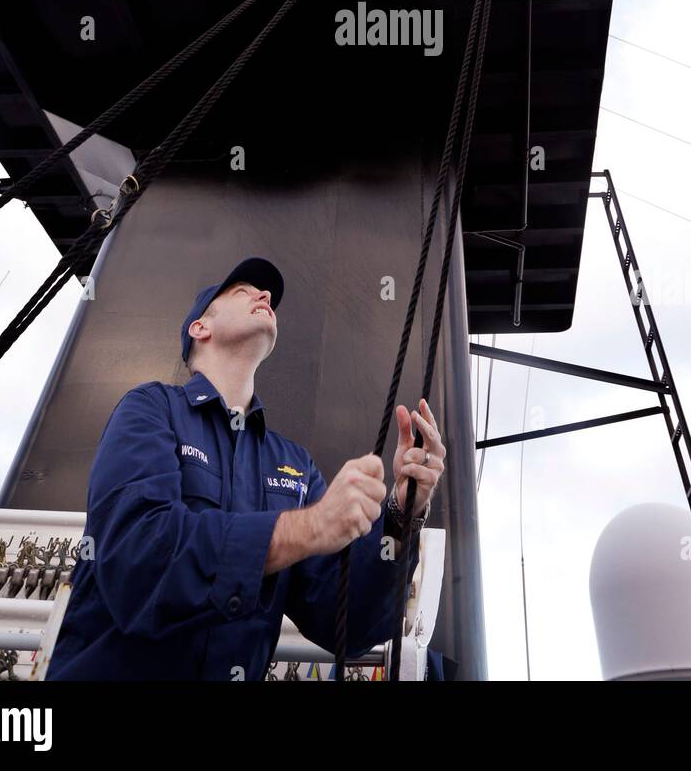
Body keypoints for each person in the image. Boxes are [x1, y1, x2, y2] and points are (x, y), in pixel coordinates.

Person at [46, 257, 445, 680]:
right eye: (242, 292)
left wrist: (401, 514)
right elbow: (138, 556)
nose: (265, 296)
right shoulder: (149, 409)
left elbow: (346, 623)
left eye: (265, 294)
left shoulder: (295, 464)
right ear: (200, 328)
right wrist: (307, 528)